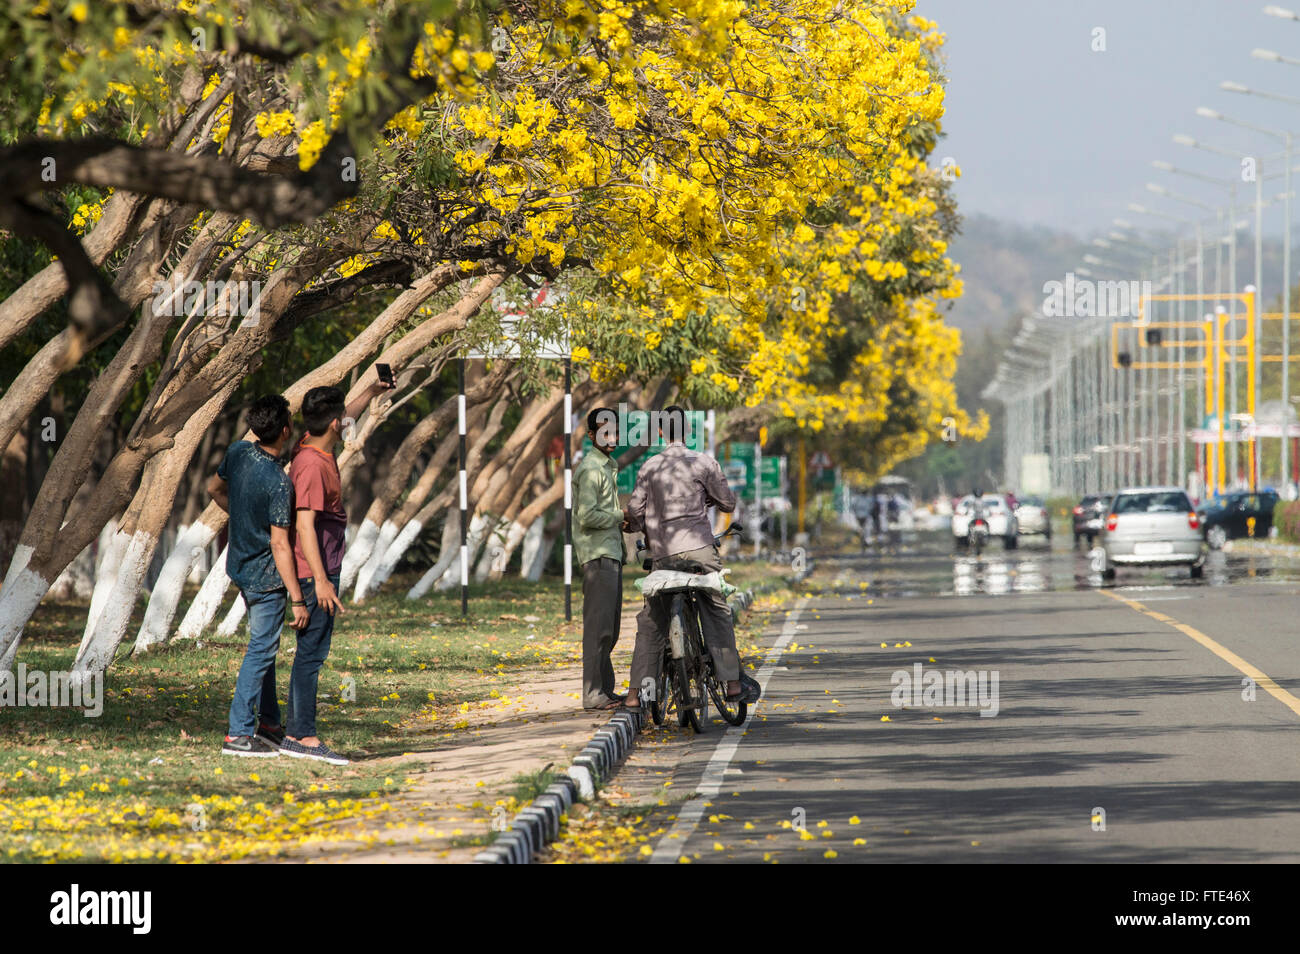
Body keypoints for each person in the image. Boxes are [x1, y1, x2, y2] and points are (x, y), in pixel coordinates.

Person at [280, 377, 391, 764]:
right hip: (316, 573)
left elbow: (347, 415)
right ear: (333, 425)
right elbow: (305, 525)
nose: (347, 420)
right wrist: (323, 581)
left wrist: (371, 392)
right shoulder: (311, 466)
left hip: (322, 569)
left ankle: (295, 731)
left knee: (310, 653)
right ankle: (302, 736)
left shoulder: (309, 446)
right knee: (311, 655)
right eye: (342, 417)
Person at [624, 406, 758, 710]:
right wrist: (707, 498)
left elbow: (634, 512)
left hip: (663, 554)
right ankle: (733, 683)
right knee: (716, 610)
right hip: (700, 550)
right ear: (687, 432)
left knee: (651, 622)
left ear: (660, 432)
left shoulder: (650, 467)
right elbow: (727, 503)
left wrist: (635, 525)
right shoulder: (704, 463)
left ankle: (634, 695)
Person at [209, 394, 310, 757]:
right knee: (261, 649)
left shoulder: (237, 452)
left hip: (238, 565)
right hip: (265, 577)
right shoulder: (279, 483)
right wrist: (298, 598)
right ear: (285, 430)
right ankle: (238, 733)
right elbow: (281, 546)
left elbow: (213, 488)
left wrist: (243, 518)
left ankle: (268, 724)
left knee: (263, 646)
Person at [573, 406, 627, 710]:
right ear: (592, 435)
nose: (612, 436)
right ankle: (593, 694)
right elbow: (587, 516)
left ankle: (605, 690)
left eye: (615, 430)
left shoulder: (607, 465)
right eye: (605, 431)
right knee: (598, 630)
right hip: (598, 557)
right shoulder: (593, 469)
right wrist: (621, 516)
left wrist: (621, 521)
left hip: (610, 553)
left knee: (611, 629)